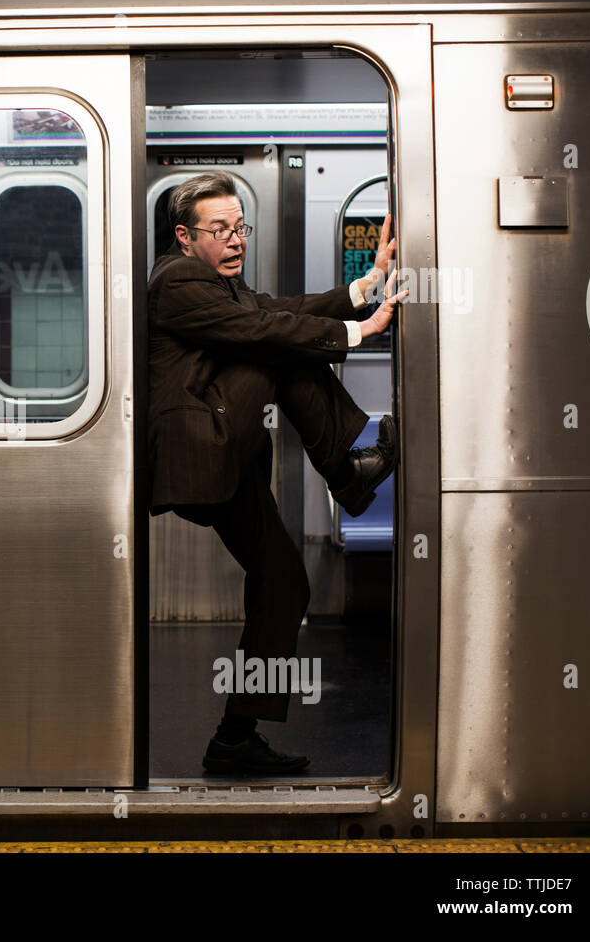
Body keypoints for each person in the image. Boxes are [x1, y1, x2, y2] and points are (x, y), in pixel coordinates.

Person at [147, 172, 405, 774]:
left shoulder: (221, 283)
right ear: (185, 237)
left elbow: (277, 309)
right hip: (201, 450)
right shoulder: (177, 279)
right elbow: (261, 329)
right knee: (280, 348)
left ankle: (235, 736)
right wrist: (358, 332)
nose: (236, 240)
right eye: (220, 230)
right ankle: (347, 472)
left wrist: (365, 287)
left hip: (229, 464)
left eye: (241, 228)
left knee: (285, 581)